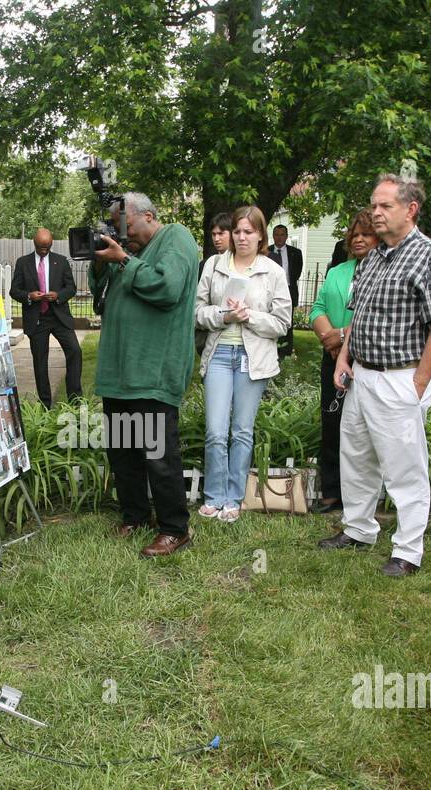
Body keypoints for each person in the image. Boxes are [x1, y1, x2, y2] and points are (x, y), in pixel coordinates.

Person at [323, 174, 431, 577]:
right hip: (361, 375)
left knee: (404, 469)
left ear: (410, 209)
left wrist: (417, 383)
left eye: (385, 206)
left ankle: (408, 551)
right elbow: (358, 314)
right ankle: (359, 529)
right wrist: (344, 358)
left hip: (400, 376)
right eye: (373, 205)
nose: (375, 213)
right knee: (357, 458)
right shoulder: (375, 257)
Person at [90, 192, 199, 558]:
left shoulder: (176, 238)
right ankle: (134, 515)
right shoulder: (127, 253)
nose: (124, 235)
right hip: (120, 369)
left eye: (127, 227)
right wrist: (104, 261)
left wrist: (124, 260)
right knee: (123, 450)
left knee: (157, 452)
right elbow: (98, 293)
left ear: (149, 216)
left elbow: (167, 288)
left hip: (152, 369)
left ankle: (174, 528)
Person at [195, 205, 291, 521]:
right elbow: (197, 312)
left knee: (241, 431)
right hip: (220, 354)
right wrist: (224, 315)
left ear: (261, 234)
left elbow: (282, 323)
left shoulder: (273, 271)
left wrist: (249, 316)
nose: (241, 237)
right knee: (215, 431)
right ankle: (214, 495)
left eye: (248, 231)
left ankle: (233, 499)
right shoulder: (214, 264)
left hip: (253, 358)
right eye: (237, 230)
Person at [307, 209, 378, 513]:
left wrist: (342, 340)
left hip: (366, 360)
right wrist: (332, 339)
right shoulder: (338, 272)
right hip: (333, 359)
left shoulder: (382, 273)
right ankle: (331, 493)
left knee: (363, 431)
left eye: (367, 234)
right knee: (332, 425)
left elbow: (375, 316)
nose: (359, 239)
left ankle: (359, 498)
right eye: (355, 234)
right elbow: (317, 308)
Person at [9, 228, 82, 408]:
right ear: (34, 243)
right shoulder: (23, 263)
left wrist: (58, 295)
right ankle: (45, 404)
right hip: (37, 318)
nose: (45, 250)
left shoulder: (61, 261)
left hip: (59, 316)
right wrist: (29, 296)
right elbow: (14, 290)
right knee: (40, 362)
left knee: (75, 351)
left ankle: (75, 399)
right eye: (42, 247)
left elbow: (71, 287)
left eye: (48, 247)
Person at [197, 213, 233, 356]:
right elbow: (199, 303)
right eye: (214, 234)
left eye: (221, 233)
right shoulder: (208, 264)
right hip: (213, 335)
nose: (217, 239)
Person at [268, 224, 303, 357]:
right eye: (277, 234)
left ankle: (286, 351)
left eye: (282, 234)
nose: (279, 237)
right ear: (273, 236)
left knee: (288, 322)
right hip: (270, 290)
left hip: (289, 290)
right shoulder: (267, 251)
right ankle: (272, 349)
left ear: (287, 236)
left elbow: (297, 273)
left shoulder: (296, 253)